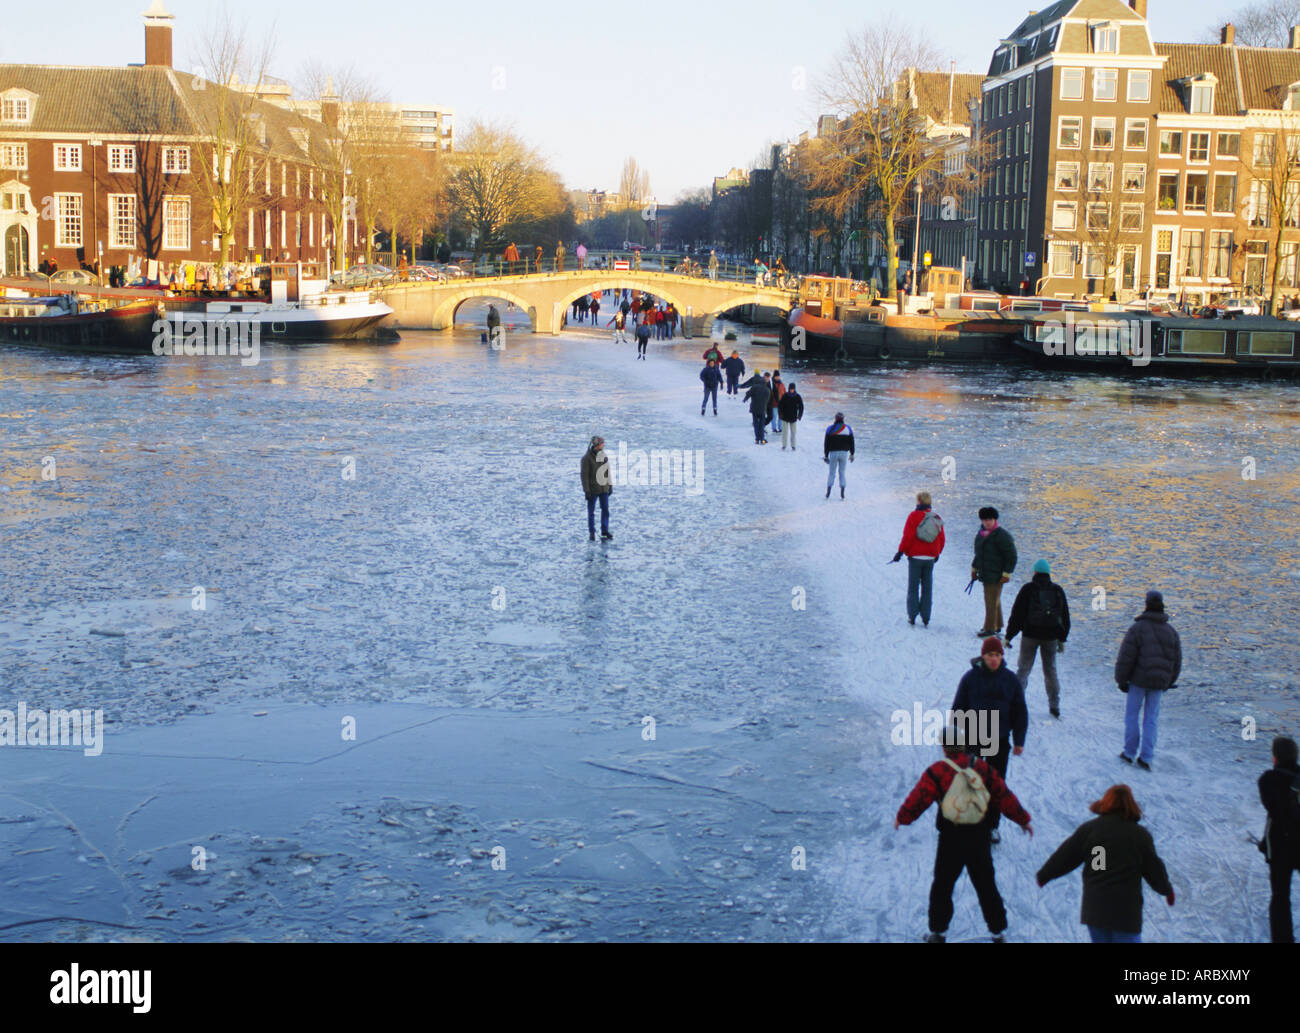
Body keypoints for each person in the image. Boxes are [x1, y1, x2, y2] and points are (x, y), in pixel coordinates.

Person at [894, 726, 1033, 944]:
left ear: (943, 746)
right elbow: (1002, 795)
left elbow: (919, 798)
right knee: (986, 885)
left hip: (951, 838)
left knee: (942, 885)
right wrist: (1022, 819)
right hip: (979, 836)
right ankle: (998, 932)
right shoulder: (982, 768)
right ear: (964, 744)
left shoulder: (938, 770)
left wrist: (903, 817)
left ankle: (938, 933)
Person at [1036, 784, 1174, 944]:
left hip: (1095, 910)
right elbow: (1154, 869)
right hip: (1125, 913)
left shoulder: (1090, 830)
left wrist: (1045, 875)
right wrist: (1167, 890)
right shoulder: (1140, 836)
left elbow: (1066, 855)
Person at [952, 636, 1028, 843]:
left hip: (999, 738)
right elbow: (959, 707)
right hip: (973, 737)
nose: (993, 659)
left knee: (996, 784)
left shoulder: (1010, 680)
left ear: (1002, 657)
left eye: (997, 655)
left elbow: (1020, 712)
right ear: (982, 656)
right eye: (989, 655)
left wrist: (1019, 740)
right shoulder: (970, 678)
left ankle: (992, 826)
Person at [1115, 590, 1181, 770]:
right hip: (1159, 683)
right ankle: (1147, 757)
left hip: (1138, 680)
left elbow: (1126, 657)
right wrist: (1168, 681)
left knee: (1132, 716)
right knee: (1151, 719)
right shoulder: (1171, 632)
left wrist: (1121, 679)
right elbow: (1177, 662)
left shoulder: (1137, 629)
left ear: (1147, 605)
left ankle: (1129, 752)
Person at [1005, 559, 1070, 718]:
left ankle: (1017, 703)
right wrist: (1062, 639)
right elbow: (1065, 617)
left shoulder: (1028, 589)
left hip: (1030, 636)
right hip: (1050, 637)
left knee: (1023, 669)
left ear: (1034, 572)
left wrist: (1008, 636)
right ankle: (1054, 705)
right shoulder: (1057, 590)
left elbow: (1017, 615)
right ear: (1048, 573)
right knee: (1050, 671)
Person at [1259, 735, 1300, 942]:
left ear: (1275, 758)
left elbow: (1273, 810)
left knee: (1280, 896)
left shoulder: (1268, 780)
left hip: (1280, 846)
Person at [891, 491, 946, 627]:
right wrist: (937, 553)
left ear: (919, 502)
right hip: (930, 558)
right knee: (927, 588)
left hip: (915, 557)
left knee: (913, 587)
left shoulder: (913, 516)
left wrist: (900, 552)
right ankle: (926, 617)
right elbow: (942, 538)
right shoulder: (935, 517)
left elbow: (908, 536)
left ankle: (912, 615)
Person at [971, 506, 1017, 637]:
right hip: (986, 573)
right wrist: (974, 569)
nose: (987, 522)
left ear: (995, 519)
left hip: (997, 574)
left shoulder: (1002, 536)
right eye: (985, 519)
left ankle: (989, 629)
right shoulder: (980, 535)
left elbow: (1011, 556)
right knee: (993, 599)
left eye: (990, 519)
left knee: (991, 600)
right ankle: (997, 625)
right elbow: (978, 554)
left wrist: (1007, 573)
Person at [580, 435, 613, 541]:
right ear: (596, 445)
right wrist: (587, 490)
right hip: (592, 490)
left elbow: (607, 471)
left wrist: (610, 485)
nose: (603, 445)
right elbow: (584, 476)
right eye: (602, 443)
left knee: (605, 510)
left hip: (604, 488)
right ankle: (592, 532)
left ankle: (604, 530)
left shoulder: (603, 455)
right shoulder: (586, 458)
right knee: (591, 512)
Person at [823, 412, 854, 498]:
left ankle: (828, 491)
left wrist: (826, 455)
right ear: (843, 419)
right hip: (844, 453)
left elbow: (826, 444)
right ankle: (842, 492)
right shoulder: (848, 428)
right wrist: (852, 454)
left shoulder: (830, 429)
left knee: (832, 473)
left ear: (835, 419)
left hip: (833, 453)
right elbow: (851, 442)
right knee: (842, 472)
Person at [740, 371, 770, 444]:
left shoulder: (755, 387)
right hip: (762, 409)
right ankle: (762, 439)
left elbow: (748, 393)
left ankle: (757, 439)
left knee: (756, 424)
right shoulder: (767, 390)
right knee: (761, 424)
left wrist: (745, 399)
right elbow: (767, 400)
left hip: (754, 409)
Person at [778, 381, 803, 450]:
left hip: (793, 417)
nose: (792, 390)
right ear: (789, 389)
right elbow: (780, 406)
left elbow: (801, 407)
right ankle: (784, 445)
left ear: (794, 389)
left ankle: (793, 445)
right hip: (785, 417)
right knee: (784, 433)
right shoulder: (785, 396)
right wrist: (780, 414)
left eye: (793, 389)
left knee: (793, 433)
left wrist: (800, 415)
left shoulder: (797, 396)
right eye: (791, 389)